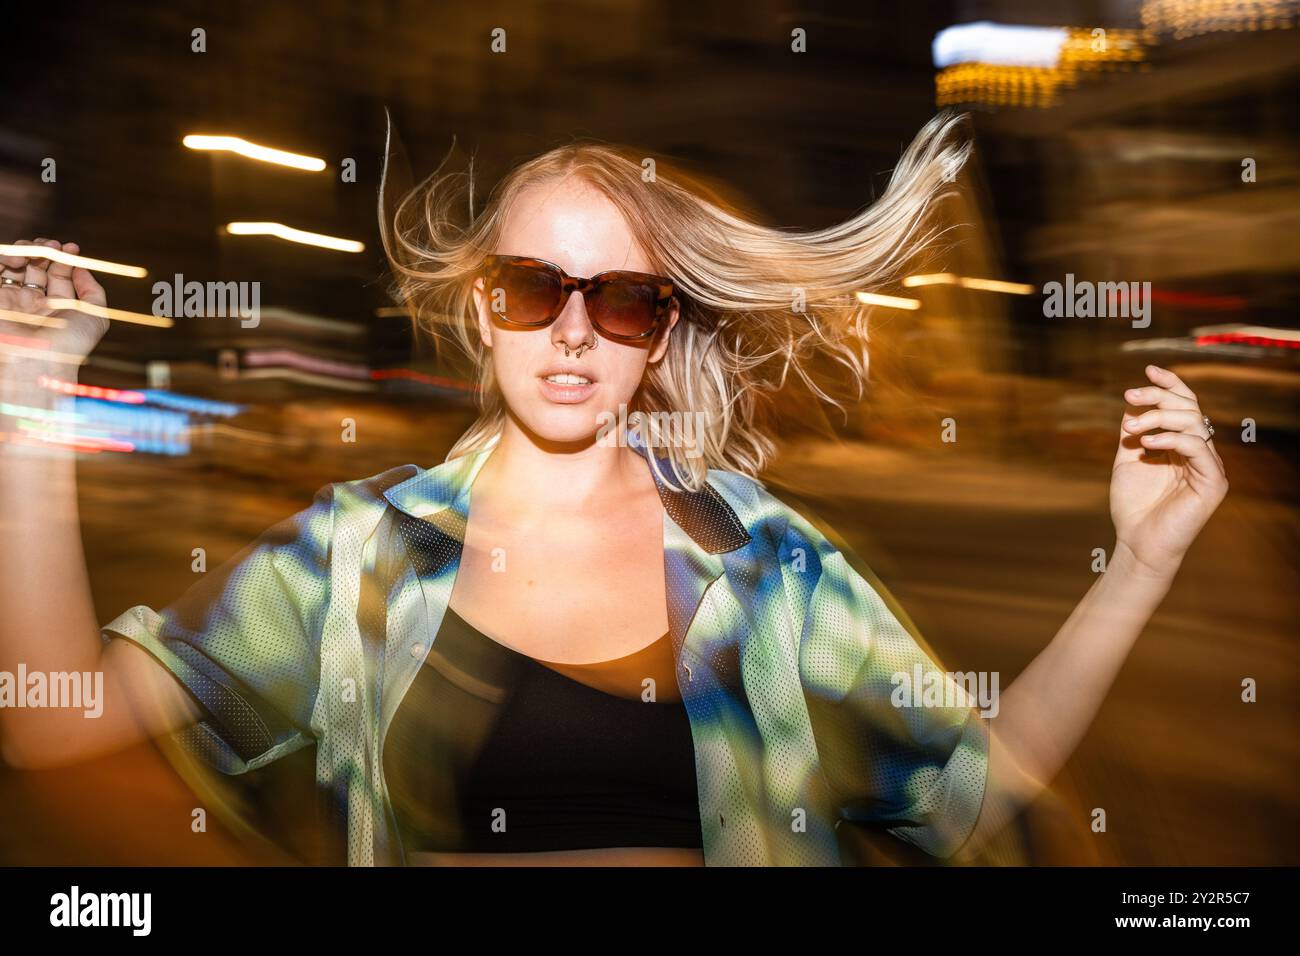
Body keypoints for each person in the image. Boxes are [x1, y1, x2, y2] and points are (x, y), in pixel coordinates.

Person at [0, 113, 1228, 867]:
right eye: (537, 286)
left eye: (624, 297)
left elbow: (973, 800)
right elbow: (52, 721)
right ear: (485, 308)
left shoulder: (766, 561)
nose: (576, 331)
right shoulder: (357, 552)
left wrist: (1141, 563)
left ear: (656, 334)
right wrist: (28, 397)